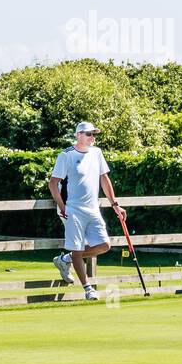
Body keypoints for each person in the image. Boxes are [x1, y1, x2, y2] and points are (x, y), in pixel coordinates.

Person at [49, 122, 124, 302]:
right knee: (77, 248)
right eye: (89, 134)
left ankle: (64, 259)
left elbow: (104, 179)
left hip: (93, 208)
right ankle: (88, 288)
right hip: (72, 208)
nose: (93, 138)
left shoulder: (97, 153)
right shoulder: (66, 155)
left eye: (94, 134)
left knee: (104, 245)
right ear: (78, 135)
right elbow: (53, 183)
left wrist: (115, 204)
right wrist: (62, 206)